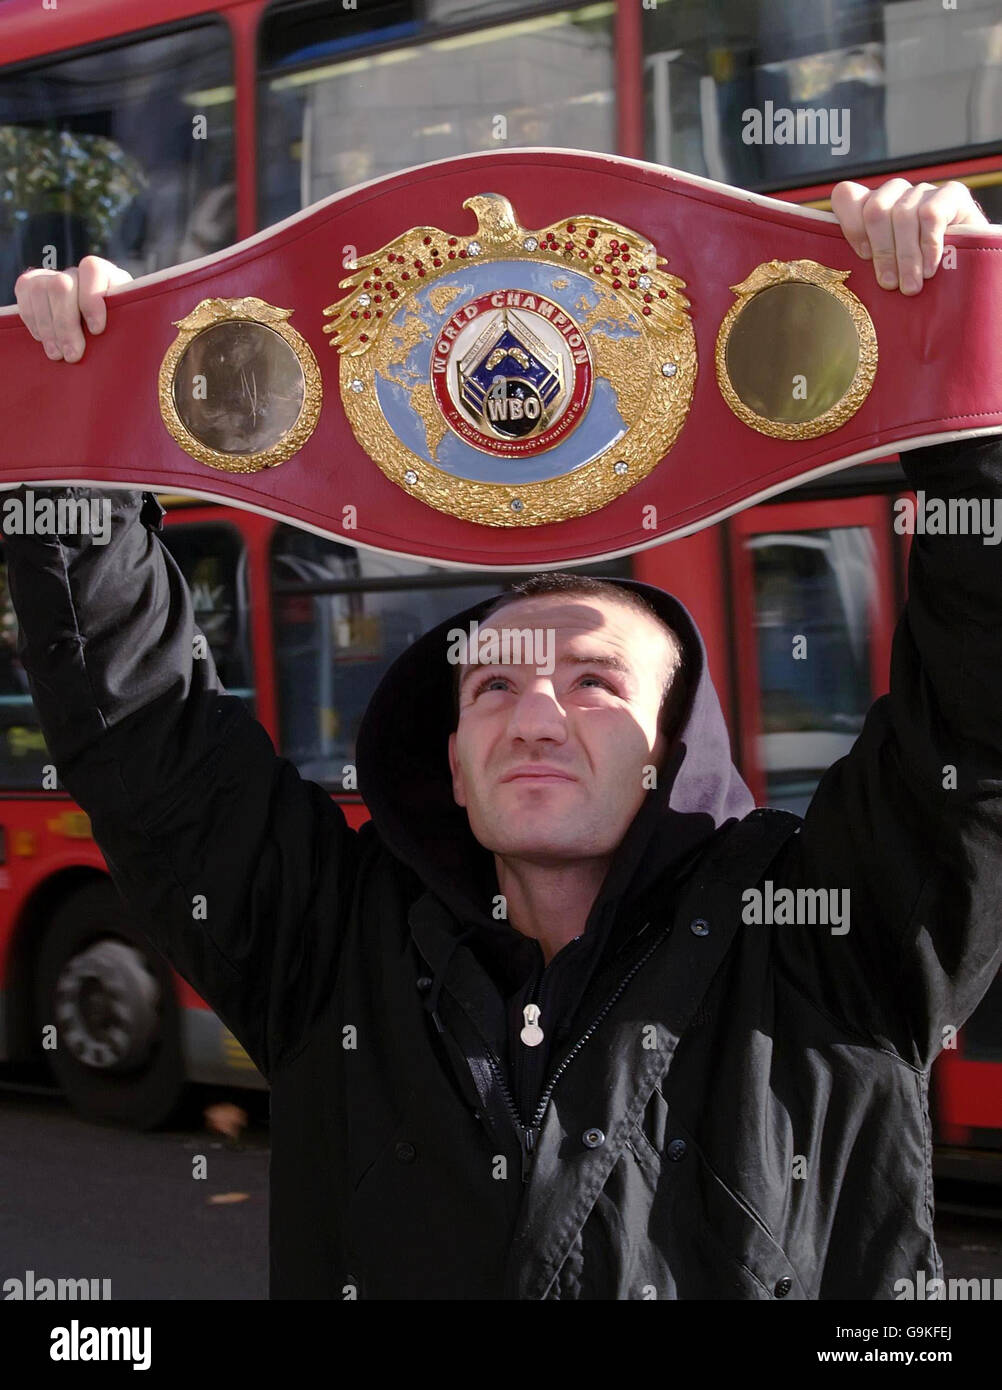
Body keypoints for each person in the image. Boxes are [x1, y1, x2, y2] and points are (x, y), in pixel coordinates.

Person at [7, 179, 1002, 1300]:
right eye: (491, 687)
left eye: (593, 679)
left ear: (667, 747)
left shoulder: (825, 945)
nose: (535, 712)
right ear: (450, 762)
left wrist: (962, 350)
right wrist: (71, 444)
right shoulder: (332, 949)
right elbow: (152, 757)